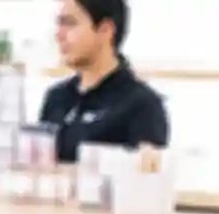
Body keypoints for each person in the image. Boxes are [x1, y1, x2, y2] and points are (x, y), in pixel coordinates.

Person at [39, 0, 169, 163]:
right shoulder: (56, 98)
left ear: (106, 30)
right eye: (59, 24)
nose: (59, 35)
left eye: (70, 24)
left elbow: (143, 181)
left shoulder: (142, 106)